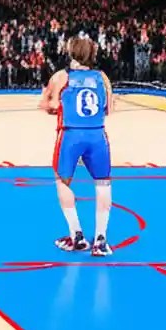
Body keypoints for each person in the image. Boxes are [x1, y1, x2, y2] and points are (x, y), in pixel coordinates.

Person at [39, 36, 113, 258]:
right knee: (103, 184)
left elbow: (49, 105)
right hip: (97, 135)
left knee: (62, 181)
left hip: (71, 134)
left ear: (71, 53)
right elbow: (109, 108)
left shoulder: (62, 77)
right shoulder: (102, 77)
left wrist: (47, 101)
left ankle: (77, 235)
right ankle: (101, 240)